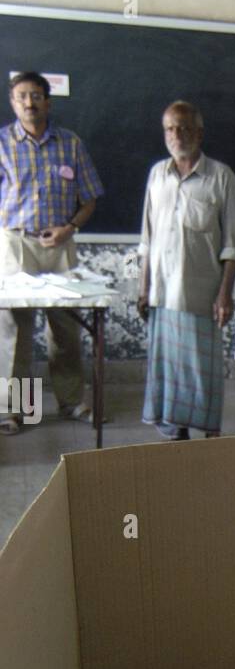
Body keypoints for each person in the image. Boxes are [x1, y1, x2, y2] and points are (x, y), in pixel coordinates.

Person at [0, 71, 104, 434]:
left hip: (60, 245)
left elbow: (89, 197)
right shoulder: (2, 144)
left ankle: (72, 403)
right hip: (16, 245)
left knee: (65, 329)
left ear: (49, 101)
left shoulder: (70, 143)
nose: (29, 103)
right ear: (13, 103)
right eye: (21, 97)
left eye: (36, 96)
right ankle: (18, 410)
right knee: (16, 334)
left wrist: (70, 228)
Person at [138, 101, 235, 440]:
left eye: (184, 128)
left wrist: (225, 295)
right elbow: (147, 239)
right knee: (167, 376)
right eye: (170, 128)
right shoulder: (157, 175)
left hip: (201, 296)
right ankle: (174, 436)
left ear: (199, 133)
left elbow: (233, 245)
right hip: (162, 295)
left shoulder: (221, 177)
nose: (177, 135)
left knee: (202, 376)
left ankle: (209, 441)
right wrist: (143, 288)